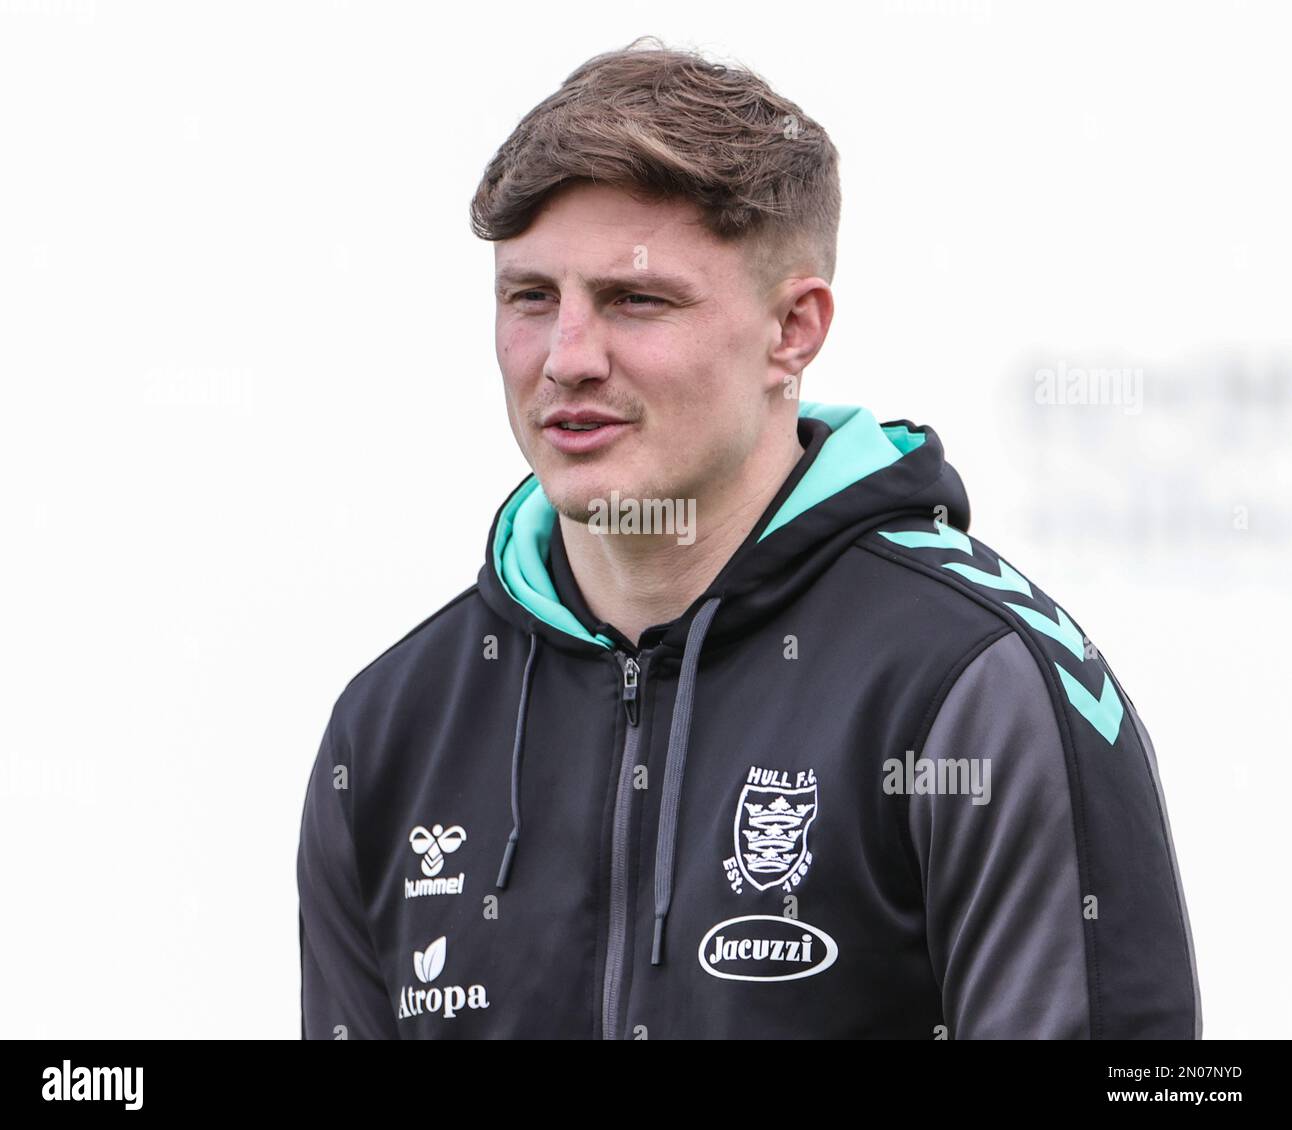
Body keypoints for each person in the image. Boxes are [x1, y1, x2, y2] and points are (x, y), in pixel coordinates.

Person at [296, 37, 1201, 1040]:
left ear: (794, 329)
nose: (567, 358)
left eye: (636, 299)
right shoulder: (391, 728)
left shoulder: (980, 683)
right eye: (531, 297)